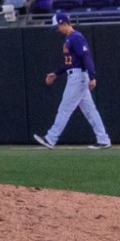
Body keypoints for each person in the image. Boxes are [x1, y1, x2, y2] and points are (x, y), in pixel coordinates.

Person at [36, 12, 112, 148]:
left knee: (64, 108)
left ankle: (50, 138)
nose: (57, 30)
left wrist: (92, 76)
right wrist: (56, 73)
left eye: (58, 27)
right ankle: (103, 139)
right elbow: (69, 63)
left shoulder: (76, 37)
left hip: (78, 77)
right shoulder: (69, 38)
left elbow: (86, 56)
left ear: (64, 23)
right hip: (76, 75)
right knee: (90, 111)